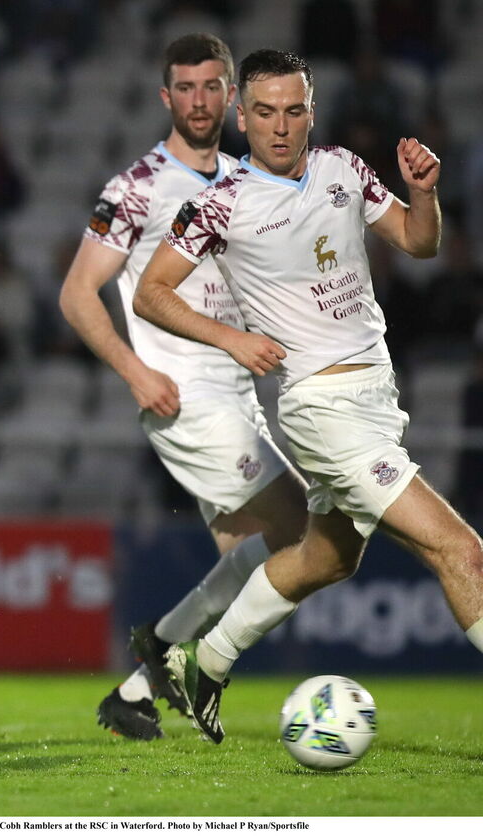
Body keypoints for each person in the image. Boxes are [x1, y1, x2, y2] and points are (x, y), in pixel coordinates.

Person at [133, 49, 483, 744]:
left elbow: (420, 244)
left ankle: (209, 659)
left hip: (375, 396)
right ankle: (207, 657)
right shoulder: (220, 205)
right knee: (462, 551)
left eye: (294, 111)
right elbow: (150, 293)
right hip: (322, 410)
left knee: (330, 557)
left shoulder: (343, 169)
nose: (280, 127)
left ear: (311, 111)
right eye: (264, 112)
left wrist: (424, 192)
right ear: (242, 116)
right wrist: (230, 340)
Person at [59, 34, 308, 741]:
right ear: (166, 98)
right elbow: (78, 294)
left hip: (240, 395)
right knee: (305, 532)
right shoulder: (136, 188)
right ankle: (175, 655)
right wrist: (135, 372)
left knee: (257, 562)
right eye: (185, 89)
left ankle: (140, 683)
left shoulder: (245, 179)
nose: (199, 101)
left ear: (231, 95)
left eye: (211, 87)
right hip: (185, 397)